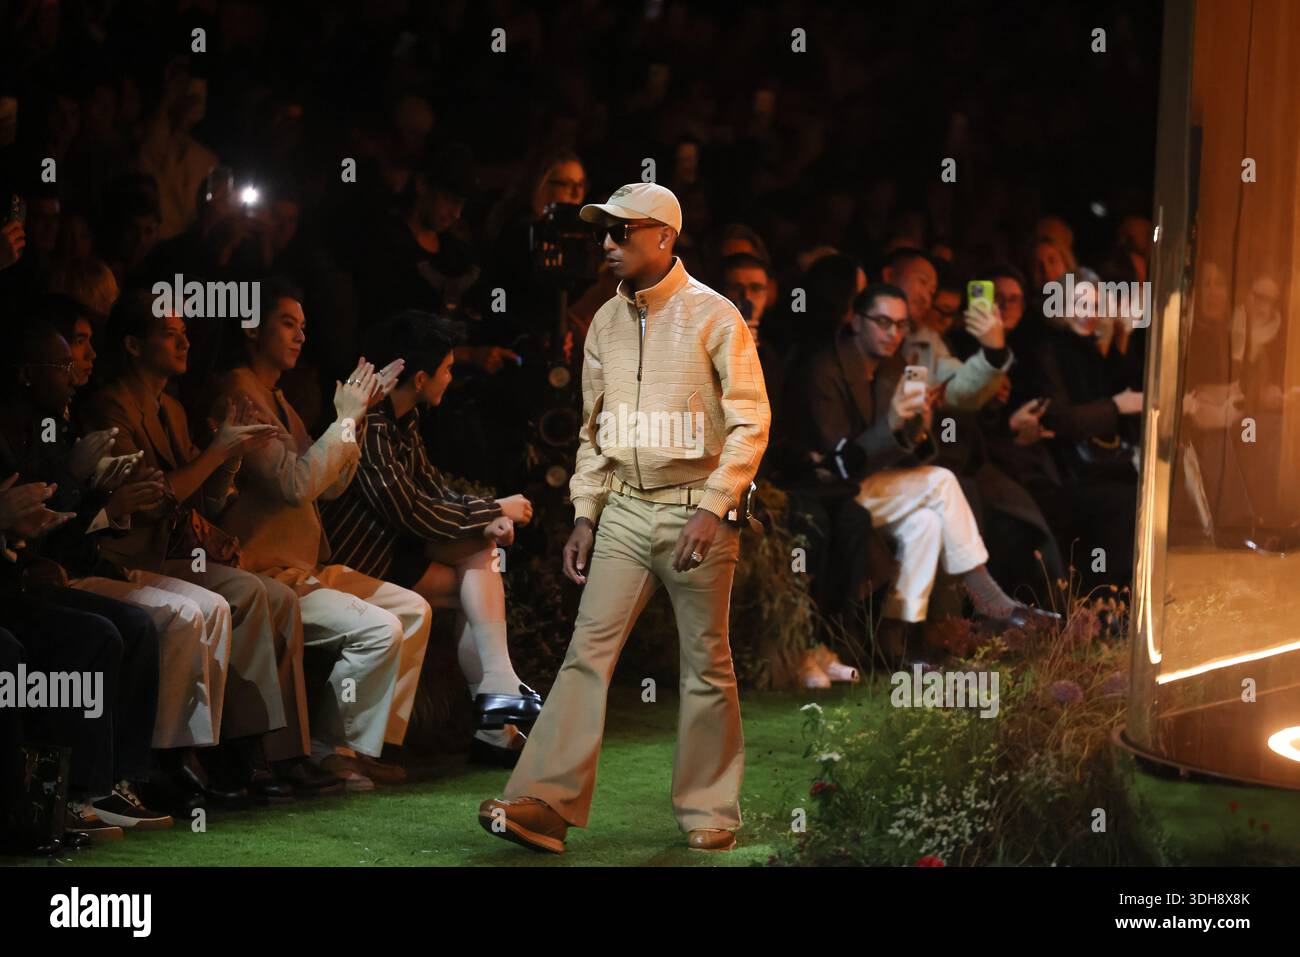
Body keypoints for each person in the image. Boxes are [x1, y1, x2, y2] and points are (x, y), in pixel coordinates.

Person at [480, 182, 770, 854]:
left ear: (664, 236)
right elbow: (593, 429)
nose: (607, 245)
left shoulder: (714, 314)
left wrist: (716, 503)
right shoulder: (604, 321)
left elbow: (752, 421)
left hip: (698, 507)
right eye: (603, 233)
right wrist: (586, 513)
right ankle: (545, 804)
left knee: (706, 660)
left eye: (621, 232)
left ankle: (711, 809)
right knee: (587, 654)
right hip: (627, 512)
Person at [85, 289, 340, 797]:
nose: (184, 342)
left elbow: (202, 504)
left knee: (276, 597)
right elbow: (153, 500)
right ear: (133, 345)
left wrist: (227, 462)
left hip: (174, 551)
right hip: (128, 554)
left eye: (186, 333)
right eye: (169, 333)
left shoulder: (174, 410)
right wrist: (220, 449)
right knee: (241, 597)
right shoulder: (111, 404)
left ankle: (275, 752)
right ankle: (208, 756)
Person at [209, 280, 433, 791]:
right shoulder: (236, 394)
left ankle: (354, 745)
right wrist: (347, 420)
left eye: (303, 326)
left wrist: (358, 416)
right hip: (264, 570)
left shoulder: (277, 399)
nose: (300, 335)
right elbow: (295, 485)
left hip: (302, 566)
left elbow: (329, 488)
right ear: (251, 327)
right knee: (379, 630)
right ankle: (333, 749)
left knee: (413, 610)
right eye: (287, 323)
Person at [788, 284, 1058, 662]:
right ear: (856, 320)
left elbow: (903, 451)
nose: (892, 333)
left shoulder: (894, 365)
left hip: (872, 484)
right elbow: (837, 465)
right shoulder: (825, 369)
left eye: (900, 325)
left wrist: (916, 425)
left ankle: (896, 639)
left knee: (927, 523)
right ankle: (988, 598)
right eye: (882, 322)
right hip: (829, 492)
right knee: (942, 481)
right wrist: (894, 423)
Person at [322, 311, 539, 767]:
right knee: (477, 569)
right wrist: (493, 510)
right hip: (358, 558)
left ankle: (495, 717)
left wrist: (486, 517)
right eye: (447, 370)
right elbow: (410, 511)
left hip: (393, 549)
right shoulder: (373, 426)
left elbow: (430, 486)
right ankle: (497, 706)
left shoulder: (405, 419)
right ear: (420, 378)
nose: (451, 377)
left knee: (482, 554)